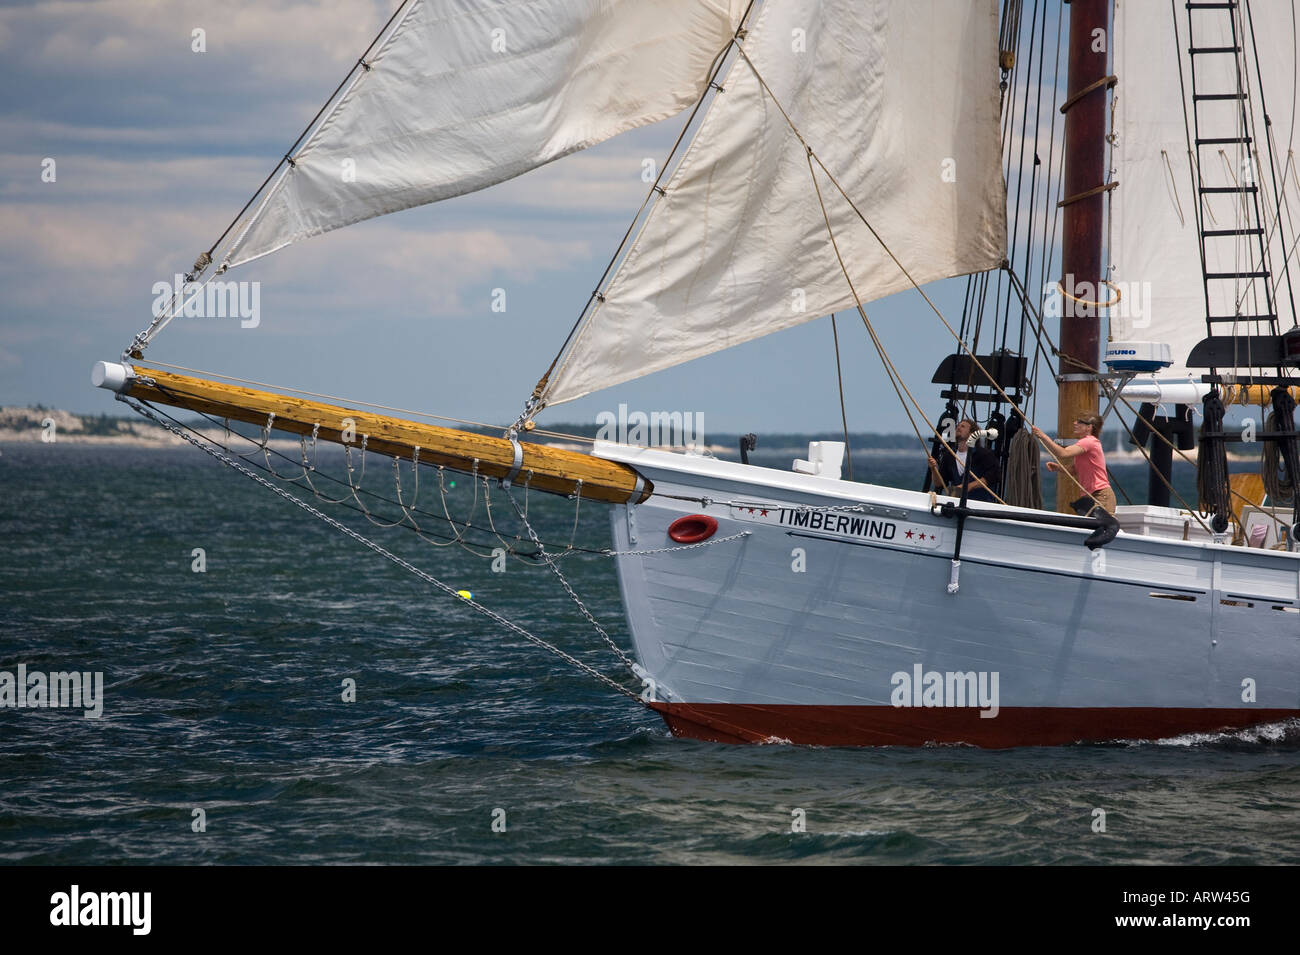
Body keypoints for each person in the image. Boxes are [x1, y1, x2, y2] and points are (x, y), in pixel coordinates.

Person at [1031, 413, 1116, 514]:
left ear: (1089, 427)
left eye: (1080, 422)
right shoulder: (1087, 443)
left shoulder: (1089, 442)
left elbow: (1063, 453)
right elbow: (1074, 470)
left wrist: (1043, 436)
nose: (1075, 423)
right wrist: (1058, 468)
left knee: (1099, 527)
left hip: (1100, 495)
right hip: (1094, 496)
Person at [928, 417, 1000, 503]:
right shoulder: (949, 455)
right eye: (958, 426)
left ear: (972, 434)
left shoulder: (984, 454)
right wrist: (933, 469)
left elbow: (993, 476)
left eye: (963, 426)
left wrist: (968, 487)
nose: (958, 427)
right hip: (956, 504)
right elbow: (939, 483)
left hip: (980, 505)